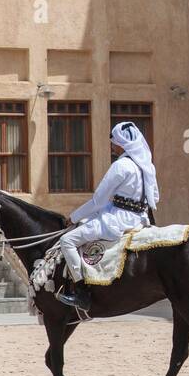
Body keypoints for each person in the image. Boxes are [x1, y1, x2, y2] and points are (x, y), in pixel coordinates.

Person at [56, 121, 160, 310]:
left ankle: (81, 292)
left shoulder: (121, 166)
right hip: (141, 220)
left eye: (114, 143)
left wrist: (73, 217)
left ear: (122, 144)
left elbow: (98, 201)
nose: (112, 147)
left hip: (118, 220)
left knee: (67, 240)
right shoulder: (147, 166)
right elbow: (155, 198)